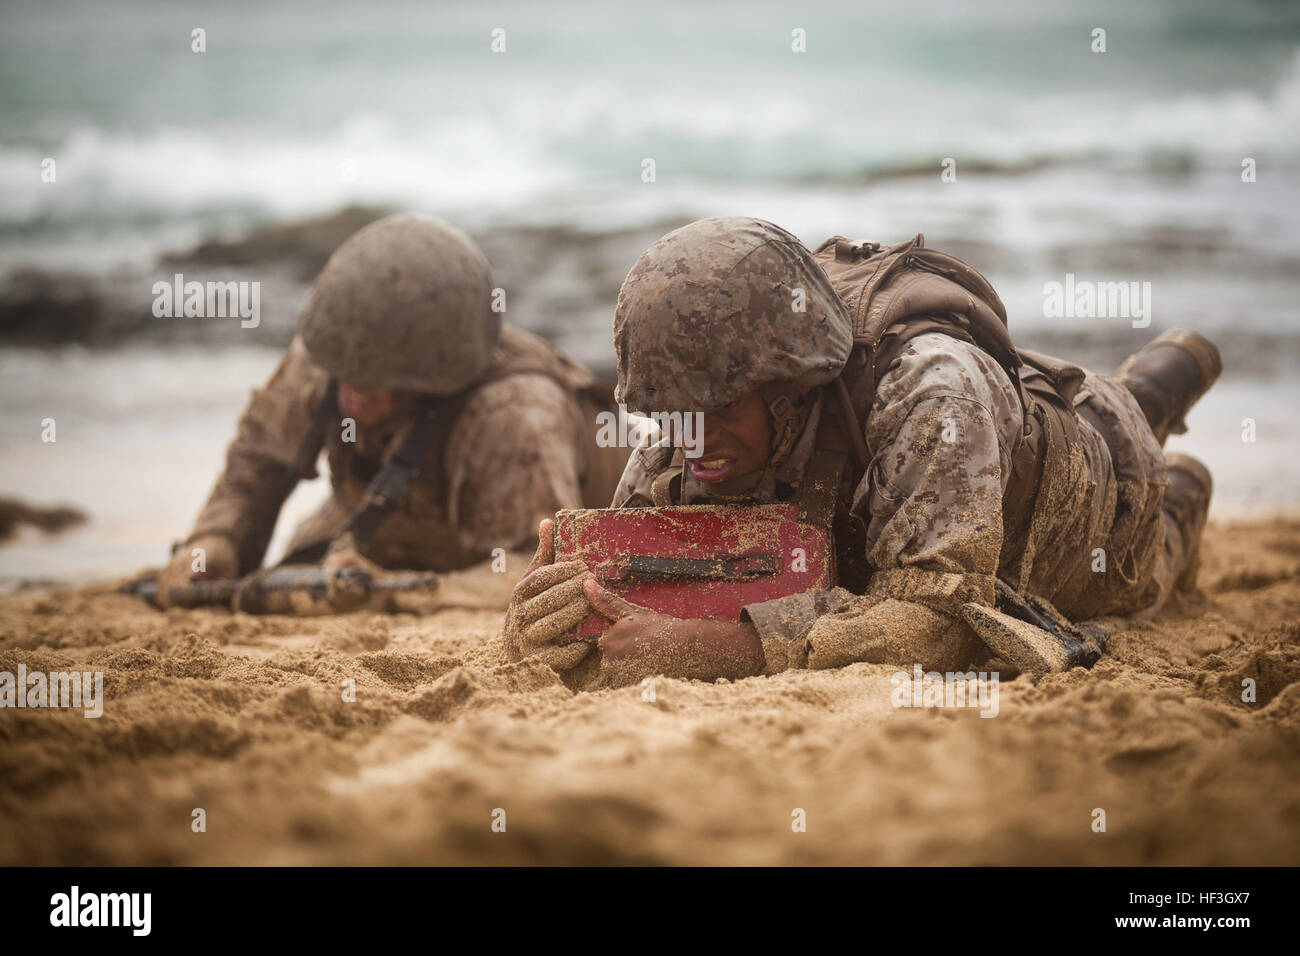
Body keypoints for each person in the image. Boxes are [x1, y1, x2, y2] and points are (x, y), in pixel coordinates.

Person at [504, 217, 1219, 686]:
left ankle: (1174, 462)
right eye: (670, 413)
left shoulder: (932, 397)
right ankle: (1153, 389)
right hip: (997, 432)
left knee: (1143, 545)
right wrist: (551, 616)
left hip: (1086, 497)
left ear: (790, 384)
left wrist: (726, 649)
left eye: (717, 409)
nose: (690, 439)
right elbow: (621, 585)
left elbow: (943, 624)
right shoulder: (698, 417)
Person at [156, 213, 628, 606]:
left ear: (436, 374)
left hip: (503, 537)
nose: (354, 387)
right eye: (347, 370)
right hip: (382, 525)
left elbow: (543, 568)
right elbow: (258, 459)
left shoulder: (516, 412)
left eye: (381, 376)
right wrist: (215, 541)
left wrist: (402, 594)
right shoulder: (331, 352)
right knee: (296, 568)